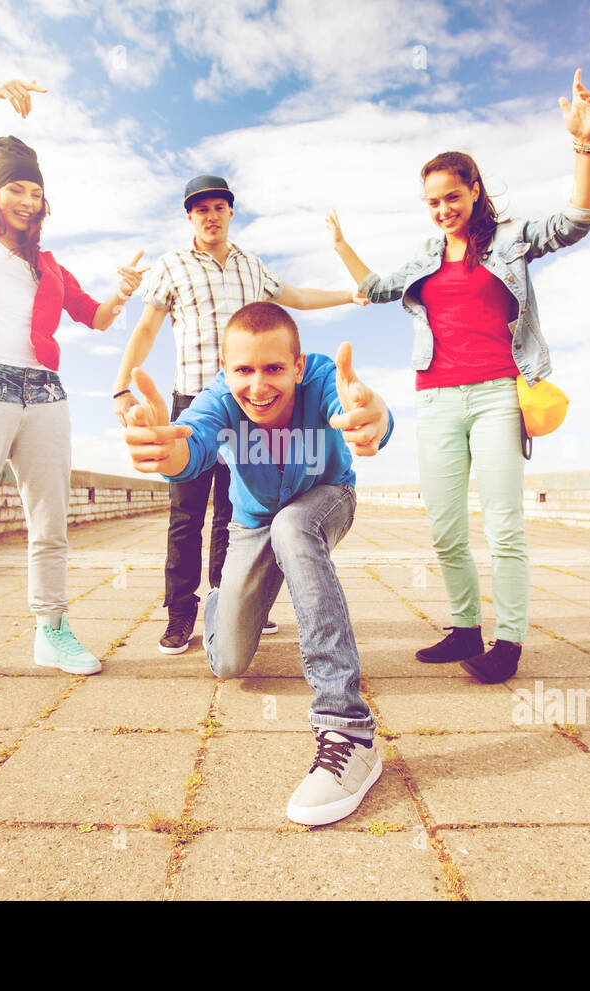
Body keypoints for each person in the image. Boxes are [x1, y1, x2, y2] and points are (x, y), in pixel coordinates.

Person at [326, 68, 590, 684]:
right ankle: (463, 627)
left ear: (474, 189)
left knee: (503, 525)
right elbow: (373, 289)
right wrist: (342, 243)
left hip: (500, 394)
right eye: (432, 202)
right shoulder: (426, 259)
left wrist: (584, 145)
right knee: (445, 525)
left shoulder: (510, 241)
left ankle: (508, 641)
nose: (443, 209)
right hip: (437, 399)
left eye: (452, 195)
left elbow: (576, 221)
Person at [0, 78, 145, 690]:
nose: (27, 199)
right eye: (15, 188)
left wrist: (122, 289)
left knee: (51, 526)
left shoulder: (52, 267)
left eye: (36, 191)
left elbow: (95, 318)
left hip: (44, 395)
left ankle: (51, 630)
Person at [121, 301, 393, 826]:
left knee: (294, 526)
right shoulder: (218, 400)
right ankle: (224, 603)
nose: (258, 386)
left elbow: (365, 409)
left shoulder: (321, 380)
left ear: (296, 365)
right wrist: (164, 449)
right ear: (226, 370)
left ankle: (348, 729)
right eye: (243, 370)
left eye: (273, 369)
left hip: (325, 498)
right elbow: (189, 447)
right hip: (250, 525)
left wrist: (375, 419)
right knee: (229, 664)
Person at [110, 175, 365, 655]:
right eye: (199, 209)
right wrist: (122, 385)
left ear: (230, 212)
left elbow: (297, 298)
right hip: (195, 405)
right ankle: (181, 612)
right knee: (186, 514)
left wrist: (347, 296)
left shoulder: (252, 266)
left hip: (254, 405)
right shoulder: (172, 267)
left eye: (218, 207)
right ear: (190, 217)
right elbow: (146, 329)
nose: (210, 215)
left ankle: (235, 601)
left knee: (234, 512)